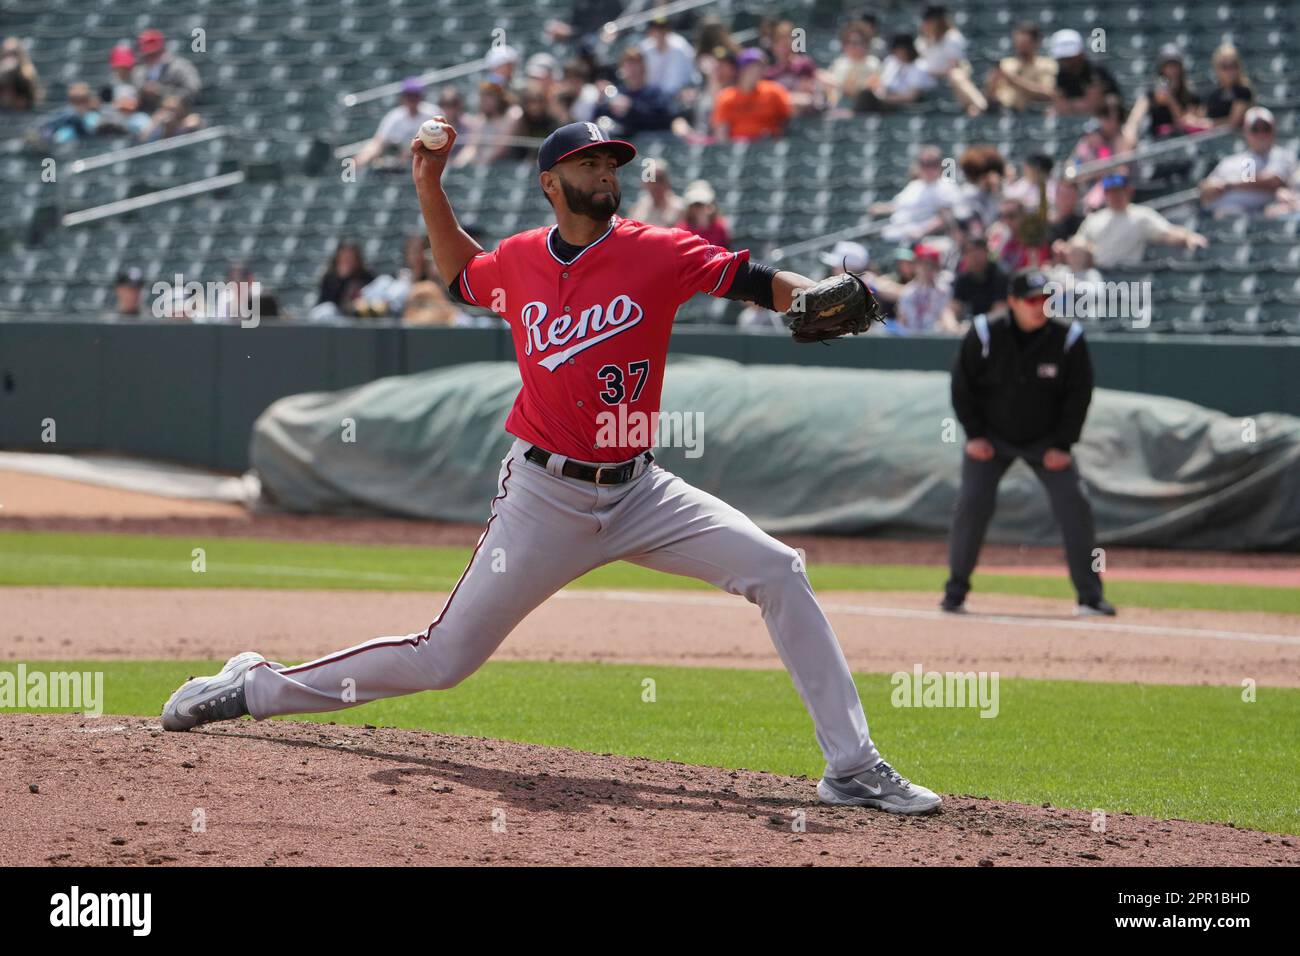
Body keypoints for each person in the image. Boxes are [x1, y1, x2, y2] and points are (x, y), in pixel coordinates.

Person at [161, 120, 945, 818]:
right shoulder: (521, 262)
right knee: (443, 659)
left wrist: (810, 296)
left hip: (642, 490)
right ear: (551, 182)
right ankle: (256, 684)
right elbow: (461, 277)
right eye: (589, 162)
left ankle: (851, 769)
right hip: (543, 494)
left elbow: (754, 280)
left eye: (612, 162)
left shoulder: (657, 252)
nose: (606, 172)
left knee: (778, 568)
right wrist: (429, 186)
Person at [943, 268, 1115, 617]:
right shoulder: (983, 333)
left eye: (1047, 299)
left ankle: (1090, 597)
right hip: (990, 439)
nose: (1041, 306)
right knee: (972, 504)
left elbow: (1078, 396)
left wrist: (1064, 445)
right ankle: (955, 592)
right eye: (1032, 300)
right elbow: (962, 387)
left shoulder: (1069, 338)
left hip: (1047, 440)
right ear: (1012, 302)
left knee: (1075, 505)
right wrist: (974, 435)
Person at [1076, 173, 1207, 269]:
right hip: (1096, 275)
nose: (1115, 196)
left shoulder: (1141, 215)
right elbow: (1077, 244)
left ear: (1128, 191)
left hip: (1126, 277)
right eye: (1111, 192)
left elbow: (1167, 232)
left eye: (1119, 191)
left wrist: (1189, 236)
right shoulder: (1094, 219)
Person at [1199, 106, 1299, 218]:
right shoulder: (1232, 161)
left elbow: (1272, 181)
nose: (1261, 134)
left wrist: (1228, 185)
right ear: (1245, 131)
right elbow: (1206, 188)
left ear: (1273, 130)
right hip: (1220, 216)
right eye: (1255, 129)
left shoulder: (1282, 155)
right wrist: (1208, 188)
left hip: (1258, 218)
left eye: (1266, 129)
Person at [872, 145, 964, 244]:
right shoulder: (915, 185)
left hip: (920, 238)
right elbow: (897, 205)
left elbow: (946, 217)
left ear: (940, 165)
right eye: (925, 164)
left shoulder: (946, 187)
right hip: (895, 230)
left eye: (933, 164)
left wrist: (922, 231)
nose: (929, 168)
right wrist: (881, 208)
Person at [1122, 45, 1202, 143]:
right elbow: (1134, 119)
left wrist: (1171, 102)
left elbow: (1189, 125)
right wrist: (1131, 132)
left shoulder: (1190, 96)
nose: (1172, 70)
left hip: (1183, 143)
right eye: (1168, 65)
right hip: (1157, 144)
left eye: (1175, 65)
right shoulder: (1152, 95)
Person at [916, 5, 987, 115]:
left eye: (932, 21)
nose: (928, 24)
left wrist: (932, 72)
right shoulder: (922, 41)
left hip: (949, 75)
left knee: (956, 75)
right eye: (927, 21)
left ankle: (980, 105)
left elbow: (954, 65)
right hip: (928, 79)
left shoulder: (952, 37)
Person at [710, 48, 792, 142]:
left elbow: (789, 116)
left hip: (769, 147)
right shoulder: (726, 96)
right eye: (752, 67)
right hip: (738, 149)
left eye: (759, 67)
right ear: (741, 70)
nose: (756, 71)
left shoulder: (774, 91)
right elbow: (721, 133)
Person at [355, 77, 437, 170]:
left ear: (421, 96)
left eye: (415, 95)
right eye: (409, 95)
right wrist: (361, 159)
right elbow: (378, 142)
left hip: (427, 162)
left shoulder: (432, 114)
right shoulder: (394, 117)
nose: (412, 99)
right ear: (403, 97)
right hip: (401, 165)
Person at [984, 23, 1056, 111]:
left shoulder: (1045, 64)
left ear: (1036, 43)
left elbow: (1047, 93)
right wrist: (993, 81)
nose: (1020, 46)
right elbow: (988, 96)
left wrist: (1013, 80)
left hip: (1029, 114)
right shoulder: (1005, 64)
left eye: (1025, 42)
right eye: (1018, 41)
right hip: (1002, 111)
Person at [1050, 29, 1121, 115]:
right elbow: (1061, 104)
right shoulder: (1061, 75)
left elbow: (1113, 99)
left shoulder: (1097, 71)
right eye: (1063, 59)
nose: (1066, 62)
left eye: (1070, 58)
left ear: (1080, 53)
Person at [857, 34, 935, 110]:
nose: (897, 53)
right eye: (895, 50)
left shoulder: (919, 67)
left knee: (866, 99)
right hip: (887, 102)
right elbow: (881, 84)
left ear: (908, 49)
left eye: (900, 50)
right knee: (865, 94)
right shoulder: (891, 61)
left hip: (906, 105)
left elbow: (911, 96)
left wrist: (885, 99)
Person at [894, 244, 959, 333]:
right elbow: (902, 321)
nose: (926, 268)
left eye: (930, 264)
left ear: (937, 267)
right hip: (911, 339)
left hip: (935, 339)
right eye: (922, 264)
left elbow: (947, 317)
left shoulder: (944, 290)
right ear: (915, 266)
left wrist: (952, 328)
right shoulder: (908, 291)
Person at [131, 28, 201, 108]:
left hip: (178, 112)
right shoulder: (140, 70)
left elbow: (193, 90)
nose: (150, 58)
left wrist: (161, 90)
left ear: (162, 49)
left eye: (154, 54)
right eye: (147, 55)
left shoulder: (180, 66)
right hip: (146, 113)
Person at [821, 21, 880, 110]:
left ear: (865, 43)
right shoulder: (839, 62)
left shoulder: (873, 63)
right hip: (836, 107)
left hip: (861, 110)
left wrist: (839, 85)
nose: (850, 46)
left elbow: (869, 91)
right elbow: (830, 89)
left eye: (855, 42)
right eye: (847, 42)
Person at [312, 241, 375, 320]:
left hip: (359, 317)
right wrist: (342, 279)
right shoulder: (331, 277)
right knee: (325, 310)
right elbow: (326, 302)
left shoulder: (366, 276)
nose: (347, 259)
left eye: (351, 256)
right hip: (338, 316)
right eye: (344, 256)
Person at [639, 16, 698, 97]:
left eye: (662, 29)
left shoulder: (680, 46)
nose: (659, 33)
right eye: (656, 30)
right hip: (652, 97)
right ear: (650, 32)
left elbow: (692, 71)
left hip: (678, 96)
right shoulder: (644, 49)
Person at [952, 237, 1008, 321]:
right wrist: (952, 324)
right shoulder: (962, 279)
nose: (974, 257)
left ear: (986, 253)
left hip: (994, 327)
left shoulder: (1000, 275)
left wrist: (976, 327)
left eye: (978, 252)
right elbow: (954, 307)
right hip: (970, 326)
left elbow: (1000, 310)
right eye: (969, 253)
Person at [1203, 43, 1253, 129]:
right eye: (1224, 66)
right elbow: (1201, 115)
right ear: (1216, 69)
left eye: (1233, 65)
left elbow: (1233, 123)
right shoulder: (1213, 94)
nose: (1230, 70)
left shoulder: (1244, 92)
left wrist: (1207, 123)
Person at [627, 157, 686, 228]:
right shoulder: (637, 208)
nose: (655, 185)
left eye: (659, 179)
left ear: (667, 181)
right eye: (650, 179)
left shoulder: (680, 208)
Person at [675, 180, 730, 249]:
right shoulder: (682, 230)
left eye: (701, 205)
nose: (698, 209)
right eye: (695, 205)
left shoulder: (720, 228)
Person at [0, 36, 43, 110]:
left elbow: (31, 94)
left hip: (23, 112)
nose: (9, 58)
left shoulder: (27, 72)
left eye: (13, 54)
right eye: (7, 54)